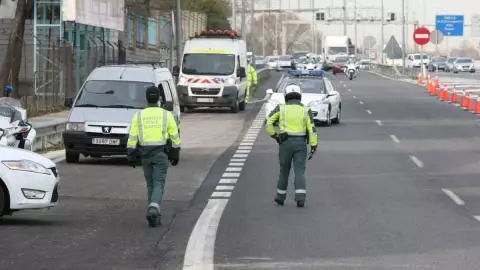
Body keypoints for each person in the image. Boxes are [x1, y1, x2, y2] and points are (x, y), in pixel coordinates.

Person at [127, 86, 181, 227]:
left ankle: (154, 211)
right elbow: (174, 134)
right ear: (159, 98)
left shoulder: (138, 116)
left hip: (145, 155)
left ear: (146, 98)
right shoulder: (166, 115)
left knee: (150, 184)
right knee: (159, 183)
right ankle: (153, 209)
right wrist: (176, 152)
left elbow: (132, 136)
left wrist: (131, 154)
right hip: (160, 154)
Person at [265, 84, 318, 208]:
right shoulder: (306, 109)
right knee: (299, 171)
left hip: (285, 143)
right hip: (301, 144)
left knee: (284, 171)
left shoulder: (281, 108)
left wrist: (275, 136)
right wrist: (314, 145)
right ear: (299, 96)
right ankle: (300, 198)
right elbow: (312, 129)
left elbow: (268, 122)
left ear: (286, 96)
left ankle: (280, 197)